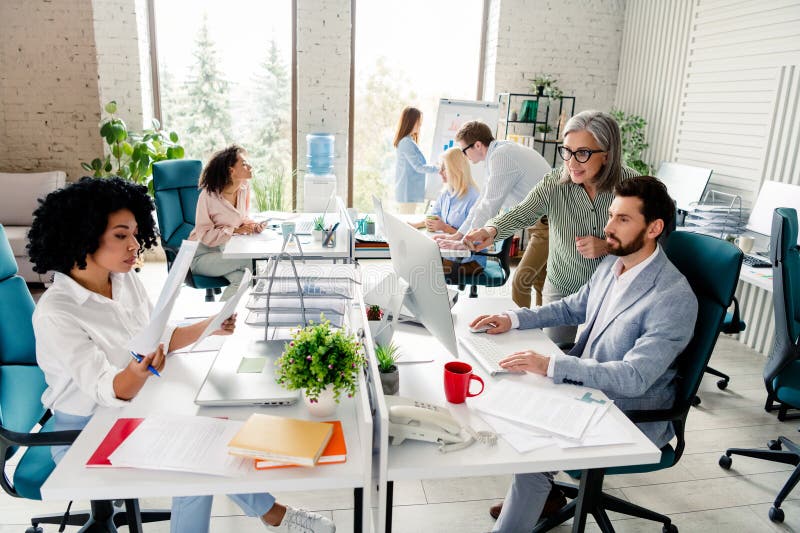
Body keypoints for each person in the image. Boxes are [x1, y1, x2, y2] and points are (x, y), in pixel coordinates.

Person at [28, 177, 336, 533]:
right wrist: (140, 369)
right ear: (83, 235)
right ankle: (274, 514)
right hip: (83, 433)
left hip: (134, 410)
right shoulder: (57, 313)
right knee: (198, 469)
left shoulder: (123, 281)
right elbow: (109, 388)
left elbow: (158, 337)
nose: (134, 245)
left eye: (135, 234)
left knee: (215, 428)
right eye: (121, 235)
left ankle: (273, 513)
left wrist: (212, 325)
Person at [470, 176, 698, 533]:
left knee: (533, 448)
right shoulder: (612, 264)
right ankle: (540, 495)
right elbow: (571, 308)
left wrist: (552, 365)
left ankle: (529, 502)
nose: (608, 228)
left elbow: (634, 378)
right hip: (588, 390)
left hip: (629, 409)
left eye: (623, 219)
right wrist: (512, 317)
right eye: (611, 215)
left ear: (654, 228)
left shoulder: (673, 297)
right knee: (504, 392)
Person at [464, 110, 639, 345]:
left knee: (603, 359)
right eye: (567, 151)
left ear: (607, 155)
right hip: (563, 286)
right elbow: (522, 212)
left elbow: (652, 240)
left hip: (614, 291)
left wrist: (609, 246)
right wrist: (490, 231)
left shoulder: (633, 186)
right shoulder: (555, 182)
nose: (572, 163)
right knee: (554, 351)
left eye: (583, 153)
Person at [436, 120, 551, 305]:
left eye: (465, 151)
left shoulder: (502, 157)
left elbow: (489, 206)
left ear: (478, 145)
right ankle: (539, 326)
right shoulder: (498, 155)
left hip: (548, 223)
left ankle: (522, 326)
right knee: (539, 280)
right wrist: (458, 235)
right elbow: (482, 201)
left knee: (521, 280)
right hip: (540, 222)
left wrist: (467, 239)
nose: (465, 157)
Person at [189, 145, 265, 301]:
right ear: (231, 171)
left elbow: (240, 218)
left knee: (243, 279)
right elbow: (204, 234)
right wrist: (235, 231)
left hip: (225, 252)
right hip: (201, 256)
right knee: (255, 263)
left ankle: (220, 323)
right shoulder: (208, 196)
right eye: (244, 164)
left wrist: (253, 225)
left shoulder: (243, 188)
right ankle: (262, 308)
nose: (249, 166)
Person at [408, 147, 485, 279]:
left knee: (421, 271)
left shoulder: (473, 197)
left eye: (444, 168)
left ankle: (437, 299)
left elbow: (474, 239)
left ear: (455, 170)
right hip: (450, 253)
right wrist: (417, 225)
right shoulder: (446, 192)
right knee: (413, 263)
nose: (440, 172)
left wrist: (444, 227)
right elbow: (433, 216)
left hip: (470, 260)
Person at [393, 106, 439, 214]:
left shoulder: (409, 141)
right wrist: (439, 169)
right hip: (407, 192)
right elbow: (418, 167)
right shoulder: (406, 142)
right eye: (418, 121)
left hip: (408, 192)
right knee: (406, 222)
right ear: (411, 122)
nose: (420, 125)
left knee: (406, 220)